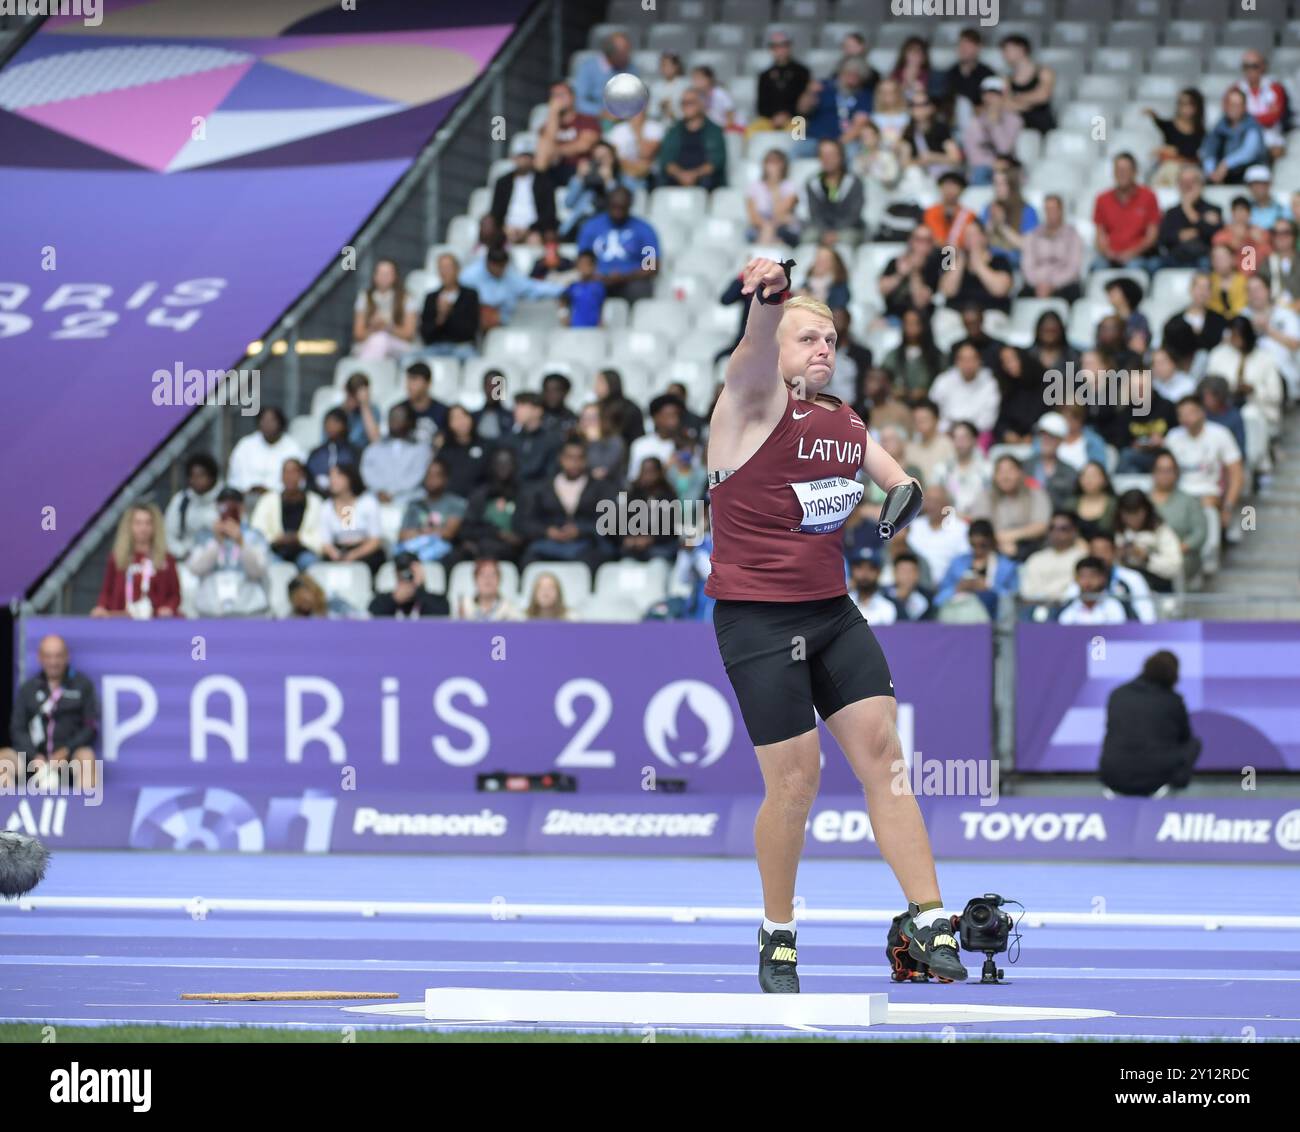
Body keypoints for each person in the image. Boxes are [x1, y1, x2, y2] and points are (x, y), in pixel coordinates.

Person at [704, 265, 966, 991]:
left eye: (832, 338)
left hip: (831, 611)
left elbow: (897, 477)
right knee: (796, 783)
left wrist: (902, 498)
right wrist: (769, 297)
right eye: (808, 337)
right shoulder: (750, 403)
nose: (824, 347)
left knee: (884, 759)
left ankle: (927, 919)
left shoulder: (844, 418)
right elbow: (753, 348)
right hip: (757, 619)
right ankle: (778, 933)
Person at [1, 635, 99, 792]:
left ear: (67, 656)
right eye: (48, 656)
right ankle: (8, 814)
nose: (53, 662)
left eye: (58, 656)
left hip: (68, 758)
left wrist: (66, 750)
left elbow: (90, 727)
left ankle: (84, 814)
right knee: (3, 759)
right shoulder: (28, 689)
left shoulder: (82, 685)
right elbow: (17, 729)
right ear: (40, 657)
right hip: (32, 759)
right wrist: (34, 756)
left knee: (87, 757)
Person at [1099, 651, 1202, 797]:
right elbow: (1185, 738)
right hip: (1155, 779)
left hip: (1112, 776)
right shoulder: (1173, 701)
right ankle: (1177, 783)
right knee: (1194, 744)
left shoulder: (1117, 694)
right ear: (1174, 674)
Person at [186, 488, 272, 617]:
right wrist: (216, 543)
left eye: (233, 506)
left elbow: (258, 570)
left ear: (242, 508)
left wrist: (241, 542)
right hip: (211, 609)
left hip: (248, 609)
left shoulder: (254, 535)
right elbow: (195, 569)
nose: (228, 510)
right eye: (224, 505)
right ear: (216, 507)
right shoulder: (204, 535)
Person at [91, 503, 181, 619]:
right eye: (138, 523)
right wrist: (101, 607)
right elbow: (107, 591)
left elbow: (175, 595)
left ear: (155, 527)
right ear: (129, 526)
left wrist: (169, 608)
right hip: (122, 620)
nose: (143, 528)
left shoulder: (167, 559)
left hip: (155, 623)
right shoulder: (117, 557)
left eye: (148, 523)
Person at [576, 186, 660, 303]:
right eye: (614, 207)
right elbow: (582, 260)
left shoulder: (644, 229)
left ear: (629, 205)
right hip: (598, 279)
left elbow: (651, 266)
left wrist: (625, 276)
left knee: (641, 290)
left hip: (632, 281)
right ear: (608, 204)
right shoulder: (591, 227)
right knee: (584, 290)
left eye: (622, 208)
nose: (618, 212)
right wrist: (598, 276)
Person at [932, 517, 1019, 619]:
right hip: (958, 615)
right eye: (973, 545)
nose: (978, 550)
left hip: (993, 617)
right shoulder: (957, 563)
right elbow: (938, 599)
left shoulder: (1006, 567)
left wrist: (988, 588)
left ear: (991, 541)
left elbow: (1013, 599)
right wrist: (958, 588)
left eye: (982, 545)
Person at [971, 455, 1050, 561]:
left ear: (1021, 473)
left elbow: (1041, 527)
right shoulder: (985, 497)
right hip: (993, 549)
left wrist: (1009, 537)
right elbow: (980, 528)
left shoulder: (1037, 495)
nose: (1005, 476)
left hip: (1031, 549)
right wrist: (999, 543)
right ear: (994, 476)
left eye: (1010, 471)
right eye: (1000, 472)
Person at [250, 458, 323, 571]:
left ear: (302, 476)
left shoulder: (315, 501)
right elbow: (257, 531)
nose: (290, 476)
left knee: (311, 563)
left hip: (304, 551)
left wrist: (300, 538)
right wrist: (276, 539)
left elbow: (322, 534)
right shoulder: (268, 500)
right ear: (281, 476)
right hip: (275, 551)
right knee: (273, 566)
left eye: (294, 472)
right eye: (286, 472)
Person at [1093, 153, 1162, 272]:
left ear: (1135, 172)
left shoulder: (1148, 196)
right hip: (1111, 256)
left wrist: (1131, 253)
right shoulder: (1102, 199)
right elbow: (1100, 235)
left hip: (1139, 256)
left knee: (1134, 267)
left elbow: (1151, 236)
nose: (1121, 173)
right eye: (1118, 170)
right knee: (1096, 267)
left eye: (1125, 170)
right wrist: (1108, 253)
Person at [1149, 449, 1208, 581]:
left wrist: (1177, 549)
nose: (1164, 475)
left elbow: (1200, 533)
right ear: (1153, 473)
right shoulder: (1143, 501)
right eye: (1160, 470)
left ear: (1176, 473)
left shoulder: (1189, 501)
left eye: (1169, 470)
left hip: (1180, 554)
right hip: (1149, 553)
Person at [318, 465, 386, 577]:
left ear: (350, 477)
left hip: (365, 551)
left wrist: (353, 555)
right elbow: (325, 542)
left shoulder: (367, 502)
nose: (333, 480)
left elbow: (375, 540)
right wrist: (336, 555)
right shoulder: (326, 507)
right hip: (338, 551)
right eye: (331, 476)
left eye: (338, 476)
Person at [360, 404, 432, 507]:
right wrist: (380, 491)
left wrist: (392, 493)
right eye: (392, 417)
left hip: (409, 500)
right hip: (377, 499)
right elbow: (367, 472)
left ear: (410, 421)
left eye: (399, 416)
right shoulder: (374, 448)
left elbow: (417, 475)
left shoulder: (421, 449)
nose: (394, 420)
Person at [397, 457, 465, 563]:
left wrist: (419, 532)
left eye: (437, 475)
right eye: (429, 474)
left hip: (443, 556)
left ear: (446, 478)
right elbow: (403, 535)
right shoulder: (415, 505)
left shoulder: (456, 503)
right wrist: (431, 532)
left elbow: (449, 533)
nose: (432, 479)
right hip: (415, 551)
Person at [656, 87, 727, 190]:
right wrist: (681, 175)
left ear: (701, 104)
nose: (685, 106)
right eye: (683, 103)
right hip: (676, 179)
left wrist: (694, 175)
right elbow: (665, 160)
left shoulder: (714, 131)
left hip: (705, 180)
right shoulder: (673, 130)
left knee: (708, 182)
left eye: (690, 102)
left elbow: (717, 161)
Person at [1114, 490, 1184, 593]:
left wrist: (1146, 558)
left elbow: (1175, 567)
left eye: (1136, 513)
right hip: (1126, 589)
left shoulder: (1162, 532)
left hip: (1159, 588)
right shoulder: (1117, 533)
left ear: (1147, 511)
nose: (1132, 518)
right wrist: (1117, 557)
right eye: (1127, 514)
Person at [491, 134, 556, 245]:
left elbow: (549, 213)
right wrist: (506, 228)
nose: (524, 160)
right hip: (507, 229)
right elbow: (495, 211)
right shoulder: (503, 182)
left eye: (528, 156)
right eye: (521, 156)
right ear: (514, 158)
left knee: (535, 241)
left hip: (533, 231)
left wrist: (528, 229)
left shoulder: (544, 182)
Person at [226, 407, 305, 496]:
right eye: (264, 420)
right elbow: (235, 477)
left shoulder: (293, 447)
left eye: (272, 420)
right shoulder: (245, 444)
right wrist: (249, 489)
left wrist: (270, 493)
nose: (267, 424)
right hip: (246, 497)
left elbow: (298, 481)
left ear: (280, 423)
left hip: (280, 500)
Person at [928, 340, 1001, 434]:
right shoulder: (943, 380)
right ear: (956, 362)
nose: (967, 364)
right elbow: (932, 410)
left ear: (979, 361)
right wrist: (947, 429)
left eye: (971, 359)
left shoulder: (990, 383)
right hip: (946, 432)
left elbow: (989, 418)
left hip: (977, 434)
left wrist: (966, 431)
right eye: (963, 359)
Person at [1157, 165, 1223, 270]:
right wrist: (1180, 235)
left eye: (1192, 181)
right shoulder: (1171, 212)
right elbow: (1163, 238)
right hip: (1175, 258)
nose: (1187, 186)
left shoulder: (1213, 209)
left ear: (1201, 184)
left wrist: (1188, 208)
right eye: (1183, 182)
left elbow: (1215, 235)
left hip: (1202, 258)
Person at [534, 80, 600, 185]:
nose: (558, 99)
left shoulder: (587, 120)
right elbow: (543, 158)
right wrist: (553, 114)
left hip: (578, 168)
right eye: (554, 95)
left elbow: (584, 145)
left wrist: (555, 151)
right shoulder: (548, 124)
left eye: (562, 94)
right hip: (554, 169)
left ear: (572, 97)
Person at [803, 139, 866, 247]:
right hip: (821, 230)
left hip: (848, 228)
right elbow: (814, 213)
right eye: (823, 155)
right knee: (808, 237)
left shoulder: (853, 181)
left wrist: (836, 233)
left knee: (848, 238)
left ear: (841, 156)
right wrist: (826, 232)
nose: (827, 159)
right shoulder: (813, 182)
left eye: (831, 154)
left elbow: (854, 213)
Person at [352, 258, 418, 359]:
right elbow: (358, 334)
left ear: (395, 276)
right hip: (370, 342)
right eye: (381, 273)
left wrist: (387, 327)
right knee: (378, 339)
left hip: (399, 346)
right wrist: (374, 328)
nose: (384, 277)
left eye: (388, 274)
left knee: (380, 339)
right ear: (374, 276)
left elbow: (409, 334)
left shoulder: (407, 298)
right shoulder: (364, 297)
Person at [418, 253, 479, 361]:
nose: (444, 272)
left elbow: (469, 331)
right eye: (441, 268)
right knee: (410, 360)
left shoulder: (470, 295)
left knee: (471, 358)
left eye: (448, 268)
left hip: (461, 347)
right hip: (435, 348)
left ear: (457, 270)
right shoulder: (431, 297)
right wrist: (440, 317)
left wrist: (450, 312)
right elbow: (425, 333)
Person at [1020, 194, 1082, 300]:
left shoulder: (1072, 235)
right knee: (1021, 296)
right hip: (1037, 284)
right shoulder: (1033, 235)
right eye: (1047, 209)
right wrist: (1039, 284)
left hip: (1063, 285)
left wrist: (1053, 284)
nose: (1050, 213)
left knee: (1074, 293)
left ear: (1061, 210)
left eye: (1053, 209)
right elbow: (1027, 265)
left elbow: (1073, 268)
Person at [1200, 88, 1267, 185]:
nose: (1233, 108)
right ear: (1225, 106)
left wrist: (1225, 165)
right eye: (1231, 104)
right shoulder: (1219, 126)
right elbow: (1209, 150)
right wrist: (1211, 171)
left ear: (1244, 107)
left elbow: (1248, 152)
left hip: (1245, 173)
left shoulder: (1252, 126)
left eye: (1237, 105)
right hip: (1221, 175)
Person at [962, 77, 1021, 186]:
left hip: (1007, 167)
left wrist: (994, 124)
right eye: (986, 93)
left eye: (995, 94)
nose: (990, 98)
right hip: (984, 169)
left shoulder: (1014, 120)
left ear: (1003, 96)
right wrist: (992, 163)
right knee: (980, 172)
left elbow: (1005, 149)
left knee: (1007, 175)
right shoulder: (975, 121)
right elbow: (973, 155)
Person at [1019, 510, 1087, 603]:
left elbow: (1073, 590)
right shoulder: (1036, 558)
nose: (1056, 533)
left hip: (1066, 608)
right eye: (1052, 528)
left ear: (1074, 531)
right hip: (1034, 607)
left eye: (1063, 529)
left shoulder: (1082, 558)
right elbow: (1027, 591)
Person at [164, 453, 222, 561]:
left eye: (201, 476)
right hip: (187, 561)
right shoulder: (181, 501)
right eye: (192, 476)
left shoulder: (226, 499)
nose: (196, 480)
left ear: (212, 477)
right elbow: (168, 536)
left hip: (220, 561)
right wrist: (183, 553)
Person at [1145, 89, 1207, 188]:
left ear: (1196, 107)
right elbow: (1159, 122)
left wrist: (1172, 150)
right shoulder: (1169, 126)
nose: (1184, 108)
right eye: (1181, 103)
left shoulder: (1201, 131)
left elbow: (1193, 152)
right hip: (1166, 165)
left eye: (1189, 104)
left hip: (1188, 167)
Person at [746, 149, 802, 247]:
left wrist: (775, 186)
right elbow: (753, 217)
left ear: (783, 165)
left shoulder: (790, 186)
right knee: (758, 232)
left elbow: (779, 212)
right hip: (760, 227)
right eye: (770, 162)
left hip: (784, 228)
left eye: (777, 163)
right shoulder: (755, 186)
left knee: (775, 232)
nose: (773, 167)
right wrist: (766, 226)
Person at [1002, 34, 1055, 133]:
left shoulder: (1044, 72)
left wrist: (1016, 97)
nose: (1004, 54)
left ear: (1021, 49)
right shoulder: (1007, 79)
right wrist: (1029, 102)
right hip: (1018, 127)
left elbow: (1043, 96)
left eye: (1007, 50)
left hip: (1042, 125)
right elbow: (1006, 104)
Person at [369, 553, 448, 619]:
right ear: (396, 573)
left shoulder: (434, 599)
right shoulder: (385, 599)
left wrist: (418, 588)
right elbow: (372, 614)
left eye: (411, 570)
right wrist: (394, 599)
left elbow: (441, 615)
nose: (406, 574)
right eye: (401, 569)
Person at [306, 409, 362, 497]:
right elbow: (308, 479)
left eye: (335, 422)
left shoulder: (354, 452)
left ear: (345, 425)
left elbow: (357, 479)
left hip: (348, 499)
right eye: (328, 423)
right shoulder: (316, 453)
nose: (330, 426)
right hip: (319, 499)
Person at [1057, 557, 1129, 625]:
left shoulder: (1114, 607)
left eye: (1092, 576)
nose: (1087, 582)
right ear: (1076, 579)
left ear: (1103, 578)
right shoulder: (1067, 609)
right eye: (1083, 576)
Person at [396, 362, 450, 447]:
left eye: (414, 380)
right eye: (408, 380)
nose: (409, 385)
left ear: (428, 383)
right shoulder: (398, 410)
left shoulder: (444, 411)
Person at [454, 557, 521, 621]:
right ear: (475, 579)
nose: (488, 579)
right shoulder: (465, 607)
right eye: (483, 574)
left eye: (492, 574)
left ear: (499, 579)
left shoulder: (510, 608)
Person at [848, 552, 897, 624]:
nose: (865, 573)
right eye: (859, 567)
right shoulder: (843, 605)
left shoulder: (887, 607)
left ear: (879, 572)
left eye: (871, 568)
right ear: (852, 571)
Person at [883, 552, 932, 621]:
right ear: (894, 573)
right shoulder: (883, 595)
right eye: (903, 571)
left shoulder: (927, 598)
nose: (907, 576)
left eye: (911, 571)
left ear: (918, 574)